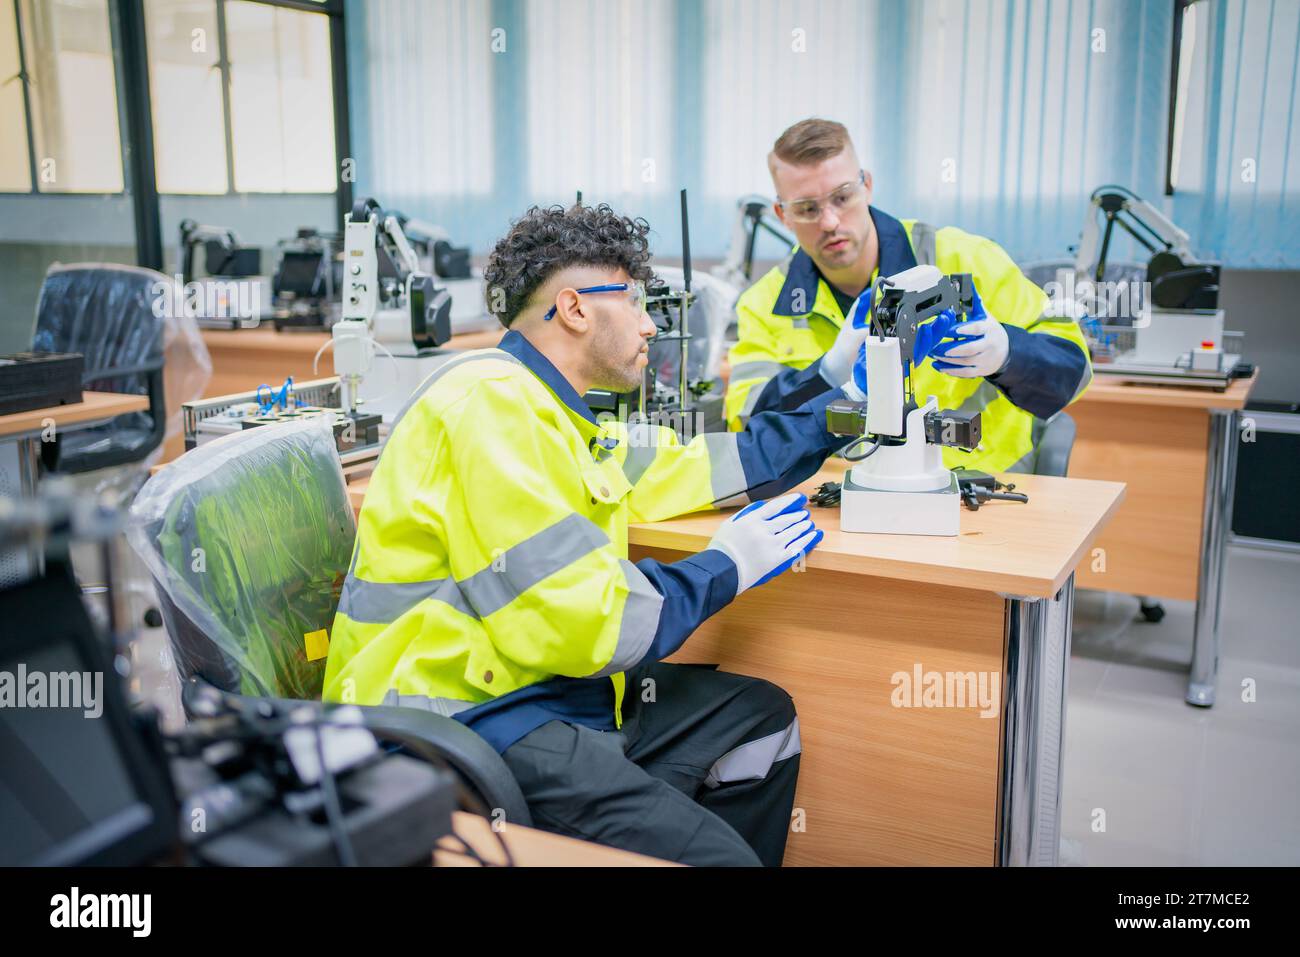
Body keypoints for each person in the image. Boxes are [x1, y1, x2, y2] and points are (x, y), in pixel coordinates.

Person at [323, 203, 861, 866]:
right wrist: (725, 567)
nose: (650, 322)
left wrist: (837, 399)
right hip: (470, 718)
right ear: (575, 309)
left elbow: (694, 468)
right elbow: (589, 625)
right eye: (634, 300)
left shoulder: (556, 415)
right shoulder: (491, 407)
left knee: (760, 720)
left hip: (555, 694)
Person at [725, 117, 1092, 473]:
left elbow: (1074, 372)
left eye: (842, 197)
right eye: (807, 209)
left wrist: (1009, 353)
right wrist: (826, 373)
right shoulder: (763, 303)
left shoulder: (966, 258)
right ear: (782, 214)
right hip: (841, 500)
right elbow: (747, 424)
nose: (830, 221)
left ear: (866, 185)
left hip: (980, 494)